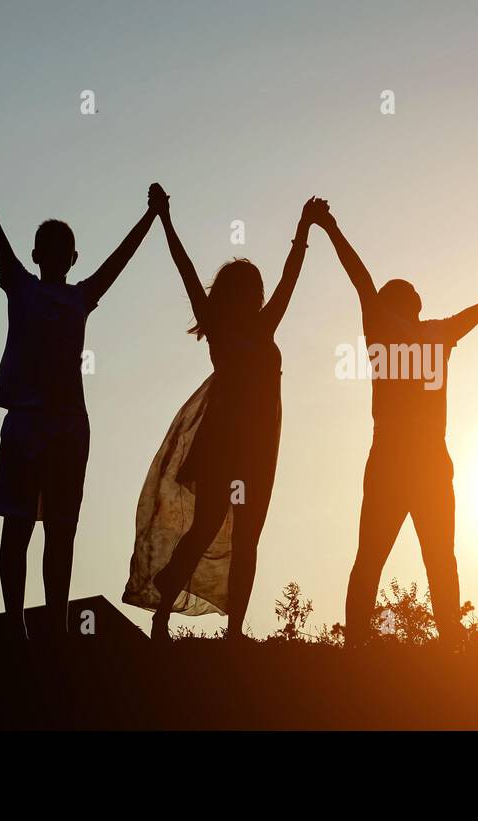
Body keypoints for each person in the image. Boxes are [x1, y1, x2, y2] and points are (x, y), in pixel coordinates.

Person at [0, 132, 161, 640]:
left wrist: (150, 218)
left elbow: (119, 263)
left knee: (60, 531)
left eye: (65, 249)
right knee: (18, 527)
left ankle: (57, 628)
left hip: (67, 429)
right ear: (39, 253)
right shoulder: (20, 285)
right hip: (25, 424)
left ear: (72, 256)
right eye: (49, 247)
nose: (56, 254)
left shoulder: (80, 298)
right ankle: (16, 624)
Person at [311, 204, 478, 648]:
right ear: (415, 306)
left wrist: (330, 226)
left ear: (390, 304)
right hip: (428, 463)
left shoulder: (381, 326)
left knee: (372, 560)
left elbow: (359, 277)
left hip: (395, 461)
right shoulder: (436, 333)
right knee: (438, 559)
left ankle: (357, 646)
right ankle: (451, 644)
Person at [123, 195, 329, 642]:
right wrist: (165, 220)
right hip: (226, 447)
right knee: (214, 532)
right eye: (252, 290)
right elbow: (187, 270)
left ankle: (231, 629)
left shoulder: (256, 324)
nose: (260, 296)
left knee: (240, 538)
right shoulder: (230, 326)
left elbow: (289, 277)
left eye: (259, 290)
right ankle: (170, 614)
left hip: (253, 449)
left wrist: (305, 228)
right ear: (239, 294)